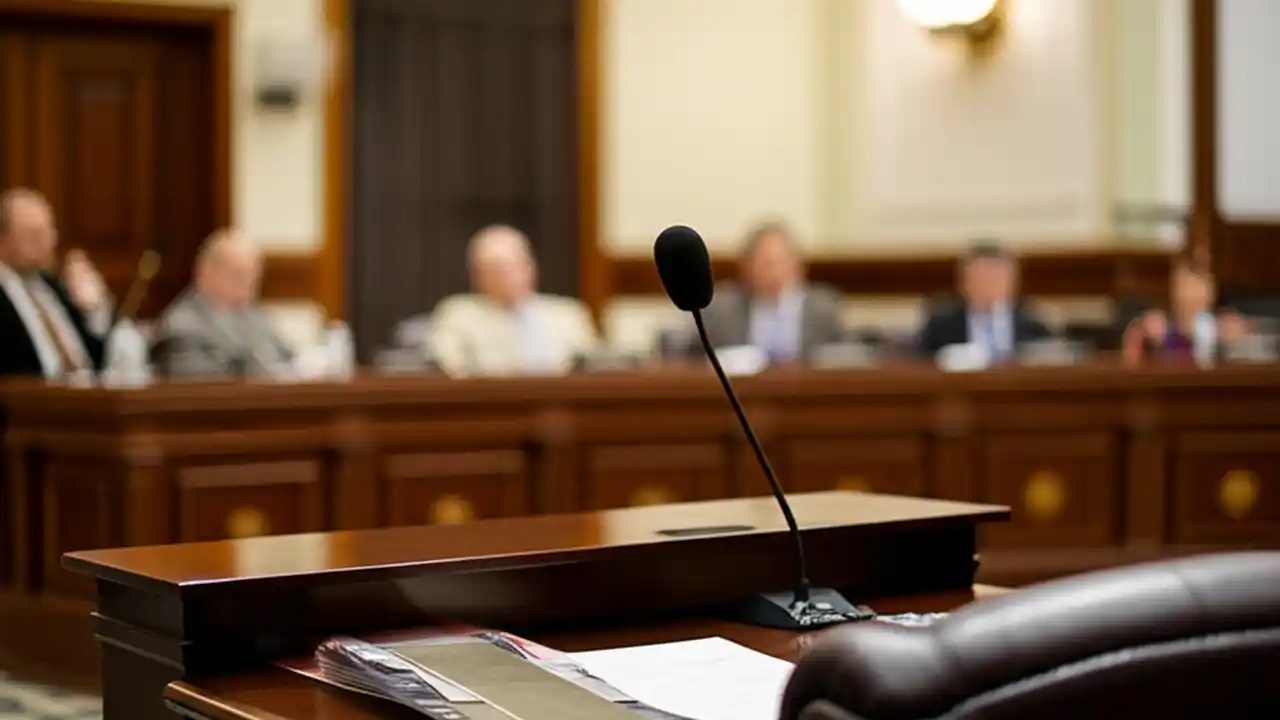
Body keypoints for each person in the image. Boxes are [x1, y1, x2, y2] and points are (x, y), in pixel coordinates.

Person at [427, 224, 597, 376]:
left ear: (531, 266)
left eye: (514, 265)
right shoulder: (457, 314)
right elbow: (449, 369)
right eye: (496, 269)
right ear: (476, 275)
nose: (509, 276)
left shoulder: (568, 313)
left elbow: (594, 367)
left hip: (560, 405)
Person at [154, 228, 294, 379]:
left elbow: (289, 359)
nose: (247, 286)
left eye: (254, 278)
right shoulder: (181, 326)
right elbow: (203, 383)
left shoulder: (255, 316)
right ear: (206, 272)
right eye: (238, 275)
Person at [698, 221, 845, 364]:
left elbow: (840, 357)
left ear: (798, 266)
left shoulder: (823, 308)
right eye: (767, 264)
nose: (775, 273)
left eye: (781, 262)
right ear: (747, 267)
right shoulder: (723, 309)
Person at [0, 188, 108, 377]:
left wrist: (93, 310)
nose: (47, 243)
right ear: (3, 238)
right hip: (34, 400)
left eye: (49, 231)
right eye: (33, 235)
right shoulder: (5, 292)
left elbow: (98, 356)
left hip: (90, 394)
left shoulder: (53, 285)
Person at [917, 241, 1052, 361]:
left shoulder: (1034, 327)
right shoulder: (940, 327)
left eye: (995, 278)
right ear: (962, 284)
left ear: (1013, 284)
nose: (987, 285)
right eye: (979, 279)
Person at [1122, 260, 1248, 366]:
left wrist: (1233, 338)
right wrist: (1140, 334)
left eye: (1198, 287)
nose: (1192, 294)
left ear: (1210, 293)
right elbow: (1130, 362)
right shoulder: (1156, 325)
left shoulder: (1220, 326)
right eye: (1186, 287)